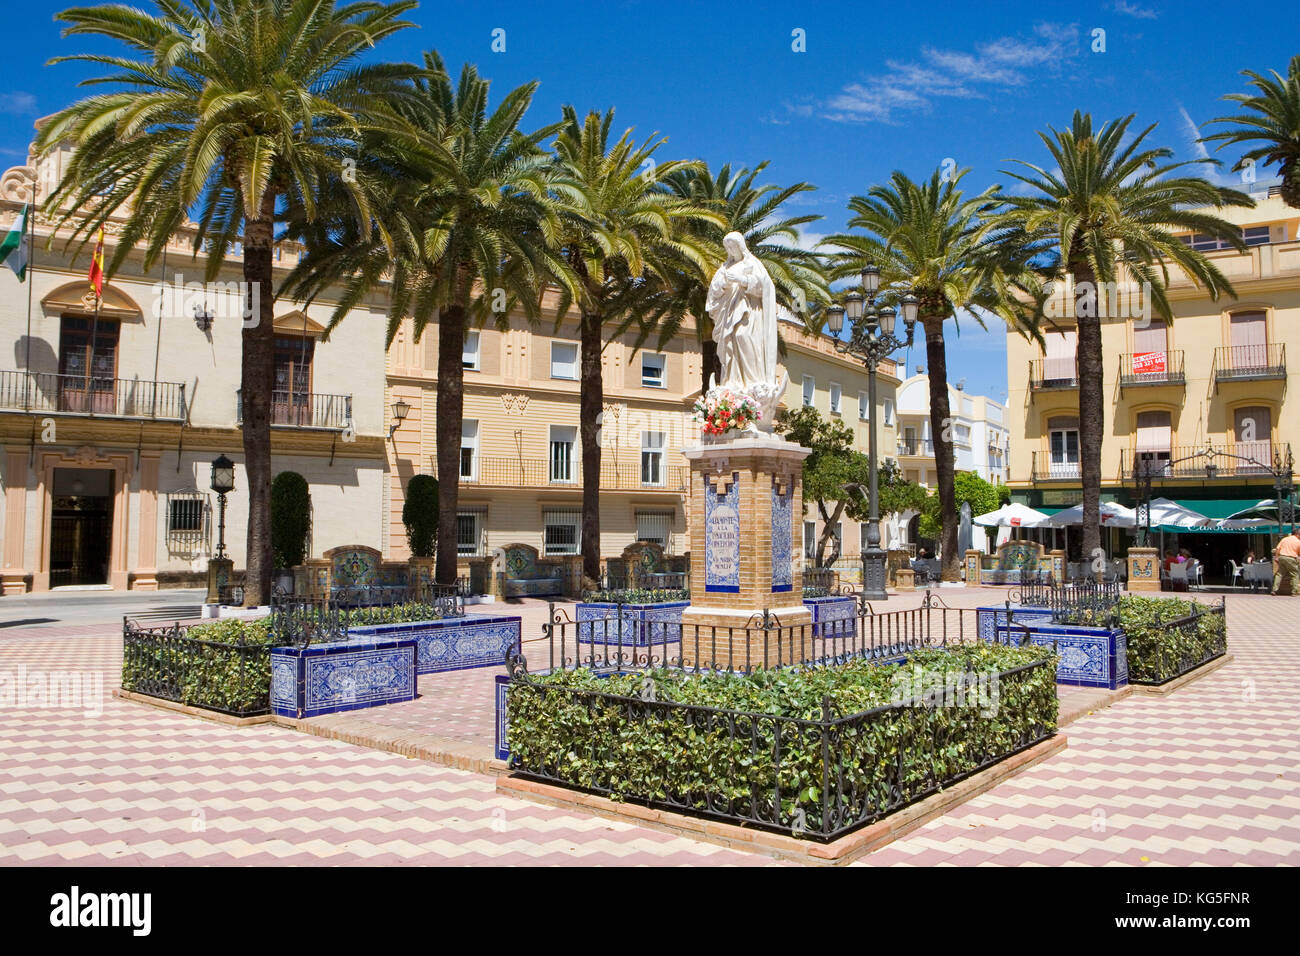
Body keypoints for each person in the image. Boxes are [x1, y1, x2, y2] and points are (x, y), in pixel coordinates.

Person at [1272, 531, 1300, 595]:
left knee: (1279, 574)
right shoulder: (1298, 541)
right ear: (1297, 535)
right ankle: (1294, 592)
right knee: (1294, 574)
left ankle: (1274, 590)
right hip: (1291, 558)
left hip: (1282, 557)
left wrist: (1276, 557)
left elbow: (1277, 548)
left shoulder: (1284, 539)